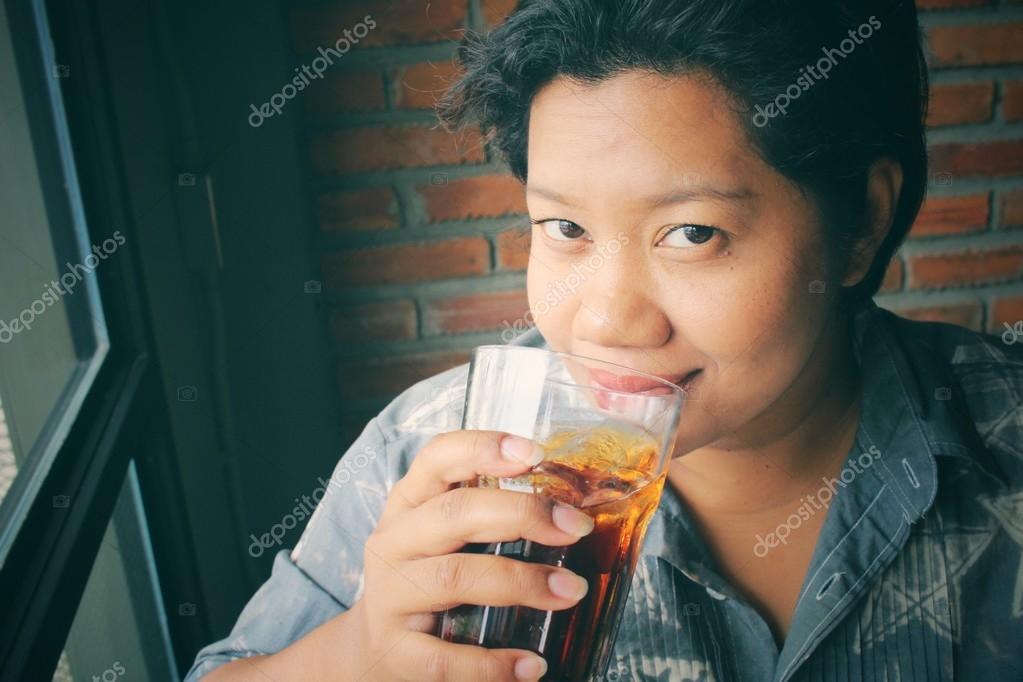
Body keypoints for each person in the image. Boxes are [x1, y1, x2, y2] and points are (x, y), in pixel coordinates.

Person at [188, 0, 1023, 679]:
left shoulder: (1005, 436)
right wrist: (360, 654)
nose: (605, 322)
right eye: (564, 227)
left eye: (691, 233)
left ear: (860, 223)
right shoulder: (429, 449)